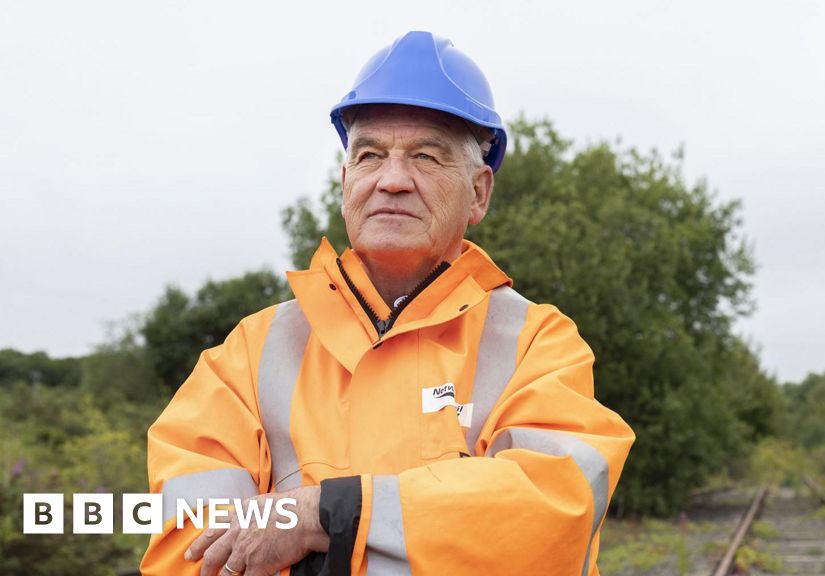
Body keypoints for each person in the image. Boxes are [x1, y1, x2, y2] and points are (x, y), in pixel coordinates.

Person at [141, 30, 634, 576]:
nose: (393, 180)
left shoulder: (538, 344)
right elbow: (188, 549)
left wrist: (326, 519)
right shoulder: (249, 356)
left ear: (479, 193)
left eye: (426, 156)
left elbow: (551, 516)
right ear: (346, 179)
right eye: (370, 155)